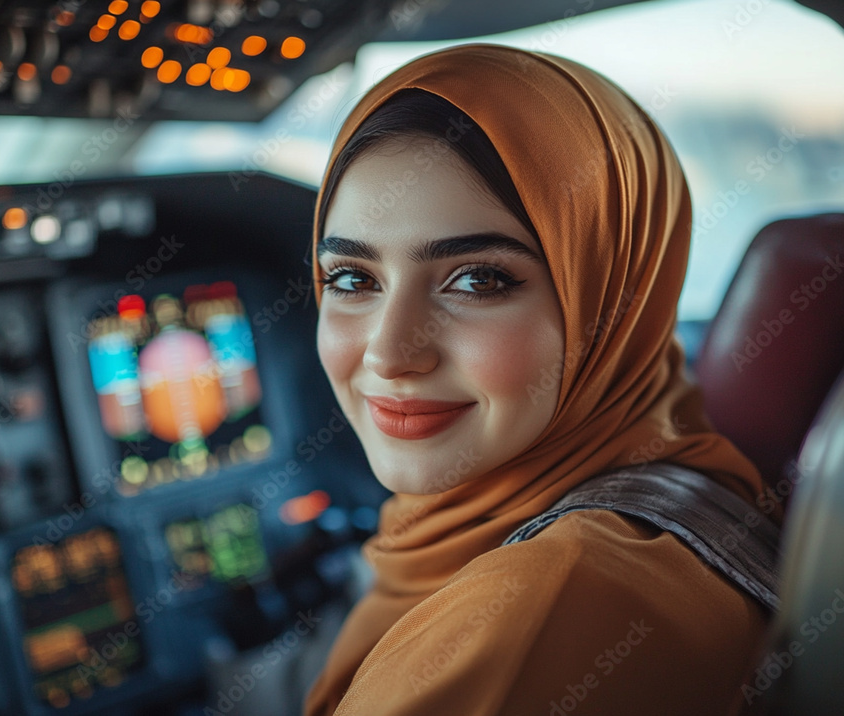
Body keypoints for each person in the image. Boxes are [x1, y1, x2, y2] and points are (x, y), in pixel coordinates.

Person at [303, 44, 777, 716]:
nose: (390, 353)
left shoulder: (553, 603)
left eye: (479, 280)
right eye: (353, 279)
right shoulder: (678, 491)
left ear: (615, 298)